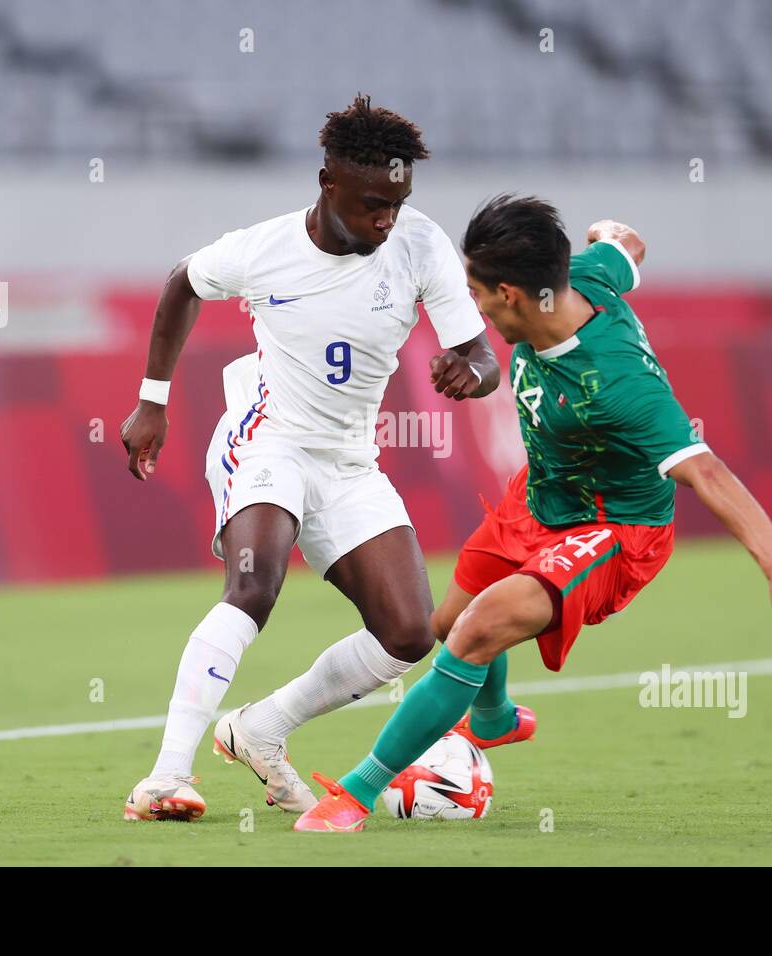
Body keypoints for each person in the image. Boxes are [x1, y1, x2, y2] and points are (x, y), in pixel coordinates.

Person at [294, 195, 772, 833]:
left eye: (477, 293)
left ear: (512, 295)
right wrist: (607, 233)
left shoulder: (618, 386)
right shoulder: (584, 276)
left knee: (477, 629)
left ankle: (354, 796)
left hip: (613, 529)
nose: (470, 307)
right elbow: (626, 243)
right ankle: (495, 718)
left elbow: (707, 472)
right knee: (445, 623)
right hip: (538, 498)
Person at [118, 95, 499, 821]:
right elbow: (182, 282)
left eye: (398, 202)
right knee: (254, 589)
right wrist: (152, 400)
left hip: (352, 462)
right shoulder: (263, 250)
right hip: (269, 440)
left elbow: (480, 355)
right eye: (373, 203)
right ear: (327, 183)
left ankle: (262, 728)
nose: (386, 219)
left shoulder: (419, 244)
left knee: (410, 632)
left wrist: (470, 374)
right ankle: (167, 776)